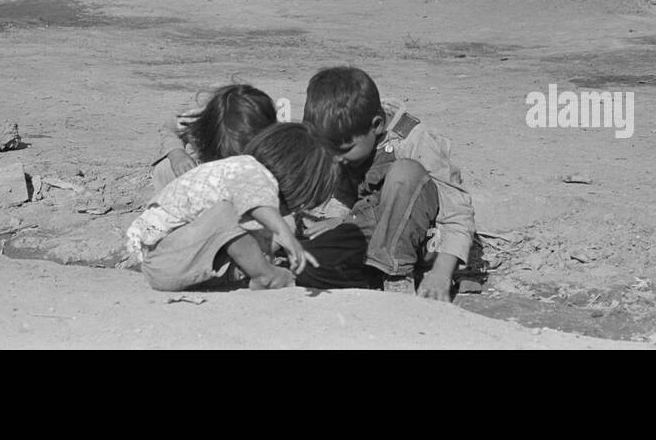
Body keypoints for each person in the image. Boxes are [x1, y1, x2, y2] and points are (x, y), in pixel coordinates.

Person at [303, 66, 475, 301]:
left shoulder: (414, 140)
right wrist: (337, 217)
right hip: (370, 232)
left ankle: (397, 275)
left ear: (377, 125)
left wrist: (441, 273)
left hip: (421, 242)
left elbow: (457, 213)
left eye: (344, 150)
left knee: (405, 171)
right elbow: (344, 189)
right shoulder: (348, 142)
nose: (336, 158)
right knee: (308, 262)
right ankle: (372, 273)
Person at [126, 122, 339, 292]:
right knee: (230, 214)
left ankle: (244, 270)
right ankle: (265, 276)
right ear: (293, 180)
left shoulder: (242, 167)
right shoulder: (252, 173)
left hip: (180, 252)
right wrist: (287, 237)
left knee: (255, 223)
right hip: (164, 260)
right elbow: (260, 208)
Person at [150, 84, 277, 193]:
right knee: (165, 169)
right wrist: (177, 154)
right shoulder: (195, 119)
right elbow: (169, 129)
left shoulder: (269, 137)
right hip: (198, 168)